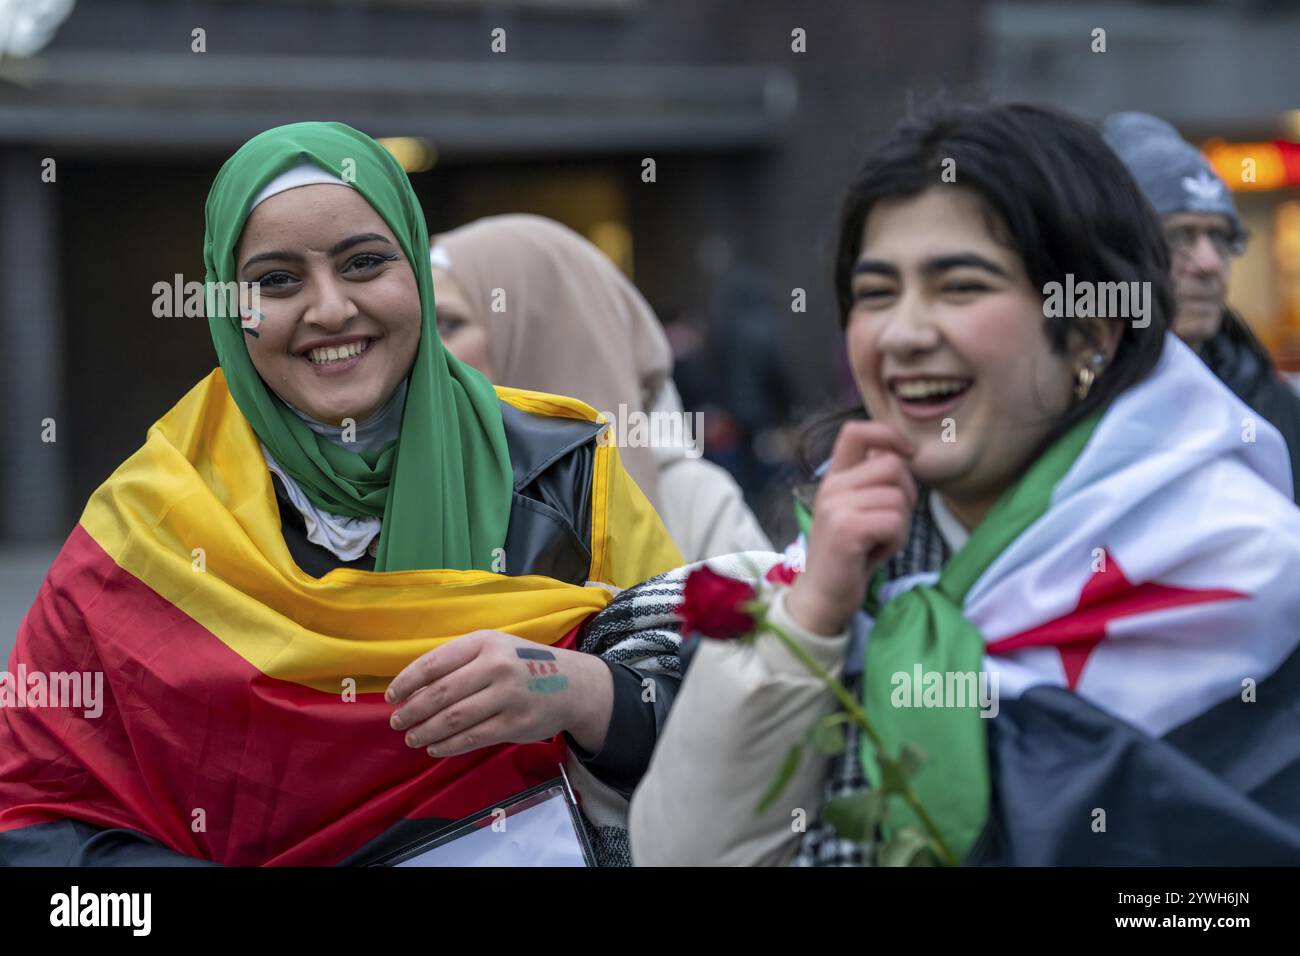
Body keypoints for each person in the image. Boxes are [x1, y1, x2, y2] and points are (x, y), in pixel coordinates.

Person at [627, 103, 1300, 866]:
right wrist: (812, 614)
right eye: (877, 293)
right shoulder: (835, 570)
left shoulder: (1249, 568)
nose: (906, 334)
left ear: (1090, 328)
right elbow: (680, 854)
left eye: (961, 287)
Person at [0, 122, 683, 867]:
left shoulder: (568, 470)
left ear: (416, 272)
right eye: (277, 281)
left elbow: (723, 723)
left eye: (364, 264)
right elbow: (37, 814)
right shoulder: (149, 517)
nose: (329, 310)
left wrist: (580, 692)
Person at [429, 213, 772, 561]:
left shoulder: (693, 502)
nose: (426, 350)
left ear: (542, 336)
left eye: (446, 324)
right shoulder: (411, 494)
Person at [1103, 111, 1300, 501]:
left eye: (1221, 237)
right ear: (1114, 254)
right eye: (1179, 237)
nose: (1210, 264)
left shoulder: (1273, 406)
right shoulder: (1062, 404)